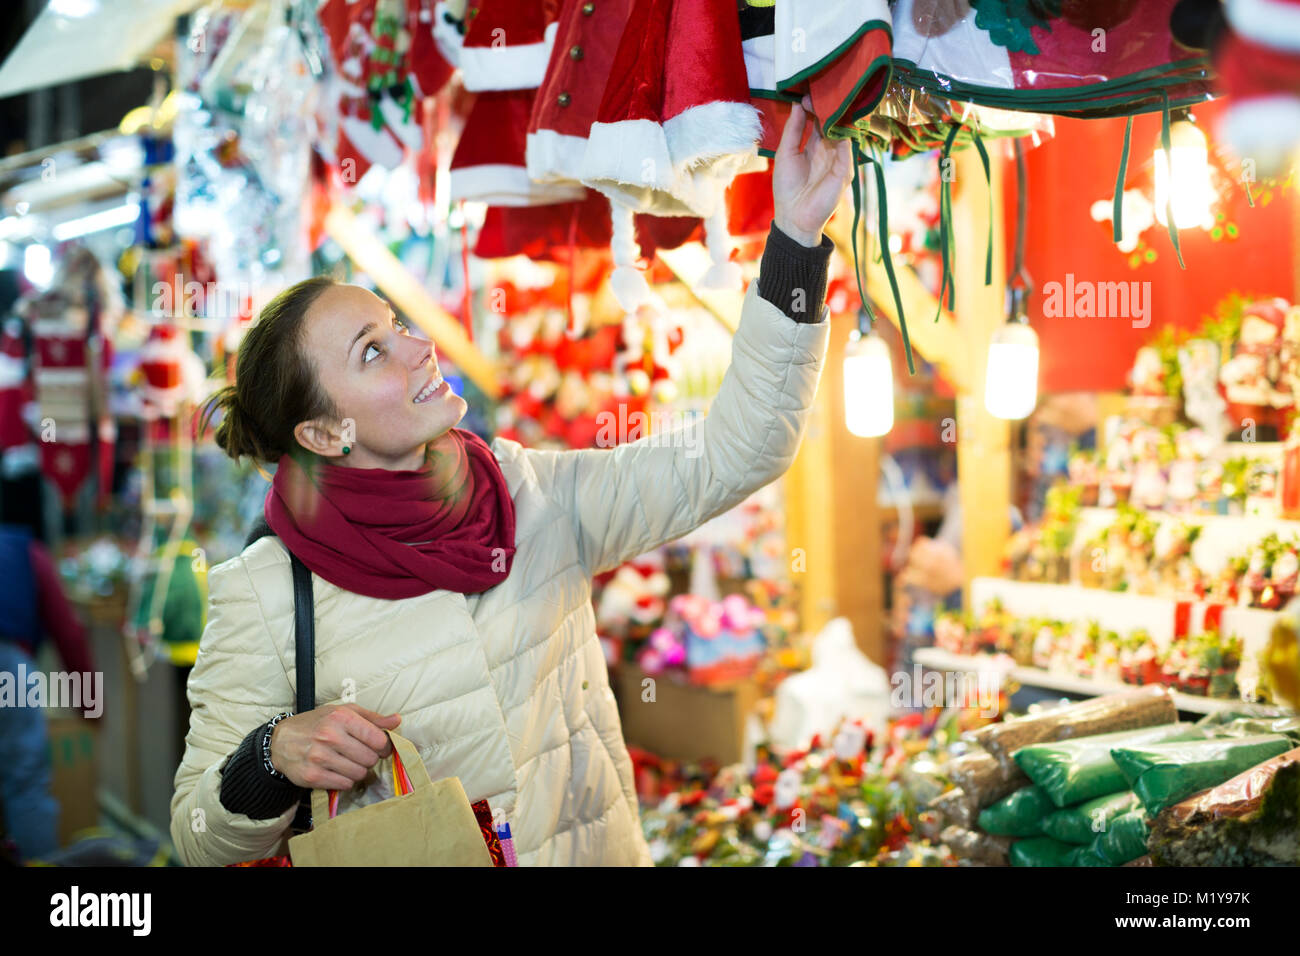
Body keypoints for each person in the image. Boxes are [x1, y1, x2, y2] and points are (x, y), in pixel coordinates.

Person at [169, 97, 852, 866]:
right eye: (372, 352)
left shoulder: (532, 496)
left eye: (397, 325)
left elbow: (740, 449)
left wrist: (796, 240)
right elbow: (197, 840)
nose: (418, 345)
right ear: (326, 433)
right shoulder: (264, 593)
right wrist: (269, 758)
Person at [0, 522, 96, 862]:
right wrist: (91, 707)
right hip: (7, 667)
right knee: (24, 784)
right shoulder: (27, 551)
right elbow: (68, 633)